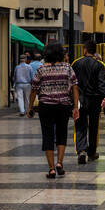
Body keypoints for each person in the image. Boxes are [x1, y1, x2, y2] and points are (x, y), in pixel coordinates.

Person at [29, 41, 79, 179]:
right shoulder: (67, 68)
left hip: (45, 106)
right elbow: (75, 87)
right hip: (63, 106)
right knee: (62, 133)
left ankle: (51, 168)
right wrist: (75, 106)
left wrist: (30, 107)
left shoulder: (41, 69)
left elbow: (34, 89)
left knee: (47, 135)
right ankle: (59, 163)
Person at [73, 42, 105, 163]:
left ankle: (81, 150)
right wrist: (104, 97)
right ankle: (92, 152)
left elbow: (73, 84)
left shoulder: (76, 64)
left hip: (80, 100)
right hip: (95, 99)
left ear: (85, 50)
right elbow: (101, 84)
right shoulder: (99, 65)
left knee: (80, 125)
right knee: (94, 126)